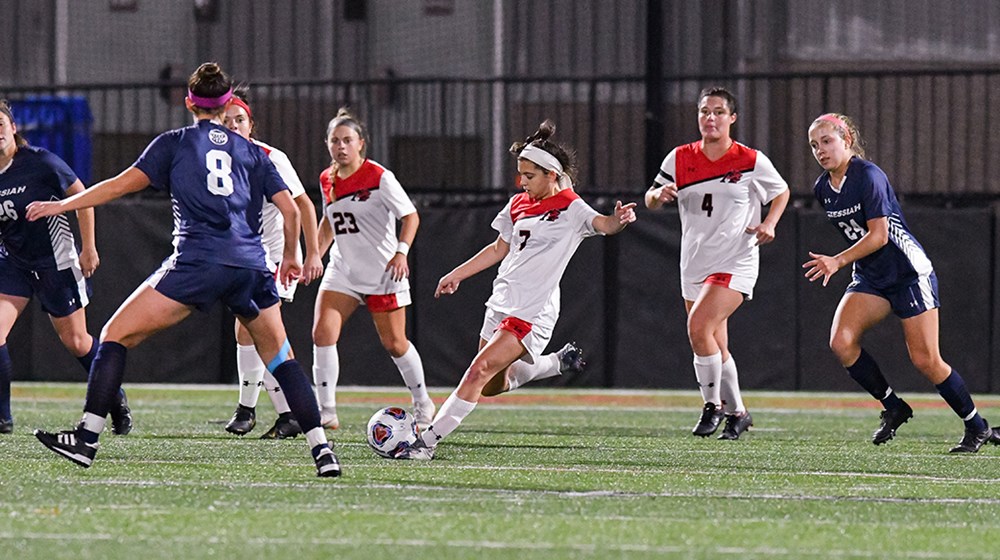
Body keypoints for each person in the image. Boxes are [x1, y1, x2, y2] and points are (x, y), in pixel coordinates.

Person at [29, 62, 340, 477]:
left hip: (198, 262)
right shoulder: (252, 151)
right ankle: (323, 452)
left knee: (113, 336)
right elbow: (289, 208)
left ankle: (86, 439)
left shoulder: (175, 143)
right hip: (250, 266)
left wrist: (61, 205)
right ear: (227, 102)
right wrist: (290, 254)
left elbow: (119, 184)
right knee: (282, 357)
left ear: (189, 102)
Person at [396, 120, 636, 460]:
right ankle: (554, 363)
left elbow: (604, 225)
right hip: (501, 301)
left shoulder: (571, 206)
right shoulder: (518, 204)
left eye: (529, 175)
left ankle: (426, 442)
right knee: (492, 384)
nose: (522, 182)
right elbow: (498, 248)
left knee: (477, 371)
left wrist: (619, 220)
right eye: (520, 174)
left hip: (533, 310)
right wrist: (457, 274)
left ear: (552, 175)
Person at [803, 112, 1000, 453]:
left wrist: (836, 260)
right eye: (814, 145)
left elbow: (879, 236)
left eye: (827, 141)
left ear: (847, 140)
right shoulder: (823, 187)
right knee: (841, 342)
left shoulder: (868, 175)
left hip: (908, 273)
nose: (821, 150)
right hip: (871, 276)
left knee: (926, 360)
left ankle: (976, 426)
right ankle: (893, 406)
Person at [645, 86, 790, 441]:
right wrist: (657, 196)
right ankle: (739, 413)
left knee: (698, 329)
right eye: (705, 111)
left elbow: (781, 191)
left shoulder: (750, 159)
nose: (711, 118)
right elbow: (650, 197)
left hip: (735, 257)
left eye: (719, 112)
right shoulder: (678, 158)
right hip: (694, 260)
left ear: (732, 118)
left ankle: (713, 406)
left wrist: (769, 223)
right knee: (715, 343)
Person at [0, 100, 131, 436]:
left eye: (1, 123)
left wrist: (89, 247)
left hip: (54, 262)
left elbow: (82, 197)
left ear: (13, 128)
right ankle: (3, 418)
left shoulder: (40, 162)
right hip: (14, 263)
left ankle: (115, 397)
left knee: (76, 341)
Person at [312, 108, 434, 430]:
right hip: (343, 269)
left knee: (394, 343)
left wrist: (401, 252)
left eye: (347, 140)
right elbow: (329, 221)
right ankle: (326, 412)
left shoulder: (379, 177)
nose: (341, 147)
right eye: (335, 141)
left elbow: (411, 216)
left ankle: (423, 403)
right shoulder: (328, 179)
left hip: (382, 272)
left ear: (361, 144)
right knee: (322, 333)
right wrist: (314, 255)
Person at [221, 90, 323, 439]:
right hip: (242, 255)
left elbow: (303, 206)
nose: (233, 125)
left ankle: (252, 409)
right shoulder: (213, 157)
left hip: (274, 255)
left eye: (240, 119)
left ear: (252, 124)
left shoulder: (269, 157)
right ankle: (284, 414)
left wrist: (310, 253)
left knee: (262, 331)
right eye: (226, 120)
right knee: (253, 330)